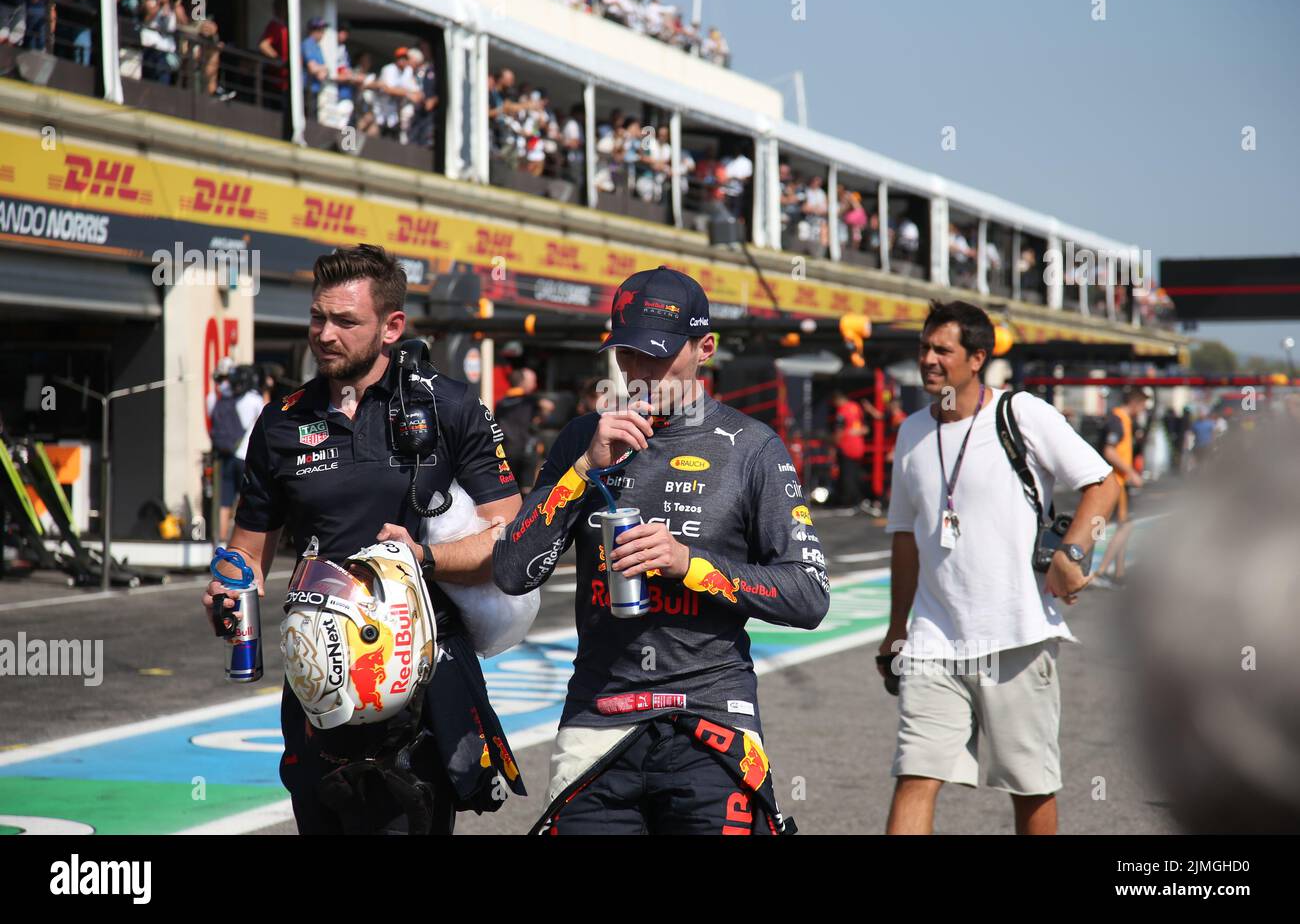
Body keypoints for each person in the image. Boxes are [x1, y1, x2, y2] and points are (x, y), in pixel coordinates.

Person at [200, 244, 525, 834]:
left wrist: (423, 558)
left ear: (391, 326)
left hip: (419, 680)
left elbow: (514, 541)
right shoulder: (280, 422)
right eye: (318, 317)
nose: (325, 334)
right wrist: (227, 589)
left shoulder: (448, 405)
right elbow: (248, 552)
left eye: (346, 321)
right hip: (317, 679)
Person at [493, 266, 829, 835]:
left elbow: (809, 594)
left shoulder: (753, 447)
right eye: (626, 355)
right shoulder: (584, 437)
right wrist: (580, 472)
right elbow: (511, 573)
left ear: (705, 349)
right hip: (600, 722)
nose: (638, 372)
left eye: (657, 355)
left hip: (711, 721)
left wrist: (688, 564)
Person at [879, 300, 1120, 835]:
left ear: (977, 358)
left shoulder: (1021, 414)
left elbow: (1105, 485)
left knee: (1029, 786)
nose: (929, 360)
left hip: (1016, 635)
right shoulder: (910, 432)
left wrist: (1074, 552)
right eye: (924, 348)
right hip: (933, 641)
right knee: (915, 773)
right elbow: (904, 536)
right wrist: (898, 627)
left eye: (943, 349)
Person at [208, 363, 265, 546]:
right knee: (247, 500)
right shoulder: (254, 399)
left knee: (224, 501)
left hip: (225, 455)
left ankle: (220, 544)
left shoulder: (218, 399)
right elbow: (264, 419)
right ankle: (242, 543)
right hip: (247, 455)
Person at [1094, 387, 1146, 585]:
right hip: (1116, 481)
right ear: (1134, 402)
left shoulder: (1125, 421)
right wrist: (1131, 472)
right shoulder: (1118, 420)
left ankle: (1119, 573)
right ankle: (1102, 570)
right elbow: (1109, 451)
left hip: (1117, 481)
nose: (1142, 410)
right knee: (1123, 526)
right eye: (1141, 406)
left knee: (1123, 526)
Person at [831, 390, 868, 513]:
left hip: (846, 447)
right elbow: (865, 428)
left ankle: (848, 501)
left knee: (846, 475)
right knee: (855, 474)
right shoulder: (856, 407)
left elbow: (839, 430)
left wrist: (834, 445)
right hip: (858, 447)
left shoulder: (842, 411)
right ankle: (857, 500)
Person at [300, 16, 328, 121]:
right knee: (309, 118)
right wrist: (324, 68)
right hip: (307, 87)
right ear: (313, 30)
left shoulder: (317, 46)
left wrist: (323, 69)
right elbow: (312, 68)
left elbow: (321, 69)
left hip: (314, 88)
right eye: (320, 30)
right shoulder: (308, 44)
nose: (322, 33)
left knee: (313, 117)